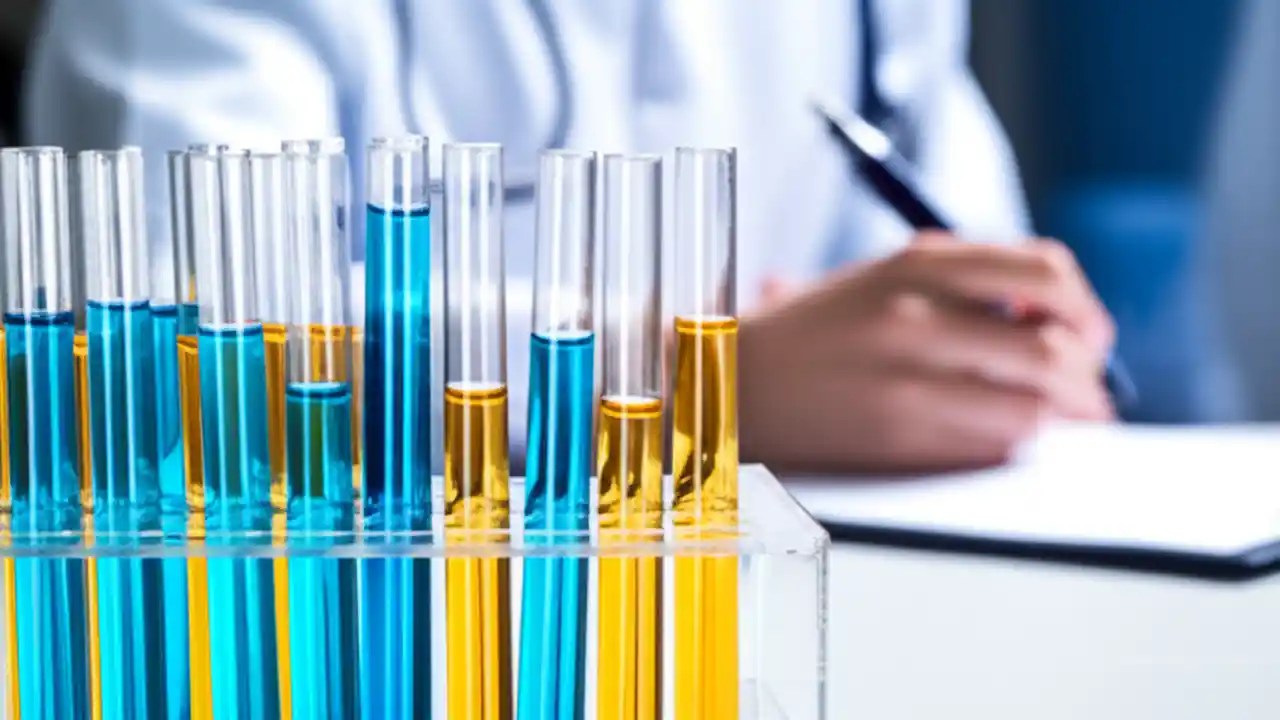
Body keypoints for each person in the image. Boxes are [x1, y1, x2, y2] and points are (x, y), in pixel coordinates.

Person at [26, 0, 1115, 472]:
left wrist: (1009, 358)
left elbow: (956, 260)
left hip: (809, 610)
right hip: (365, 627)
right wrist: (691, 380)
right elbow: (172, 344)